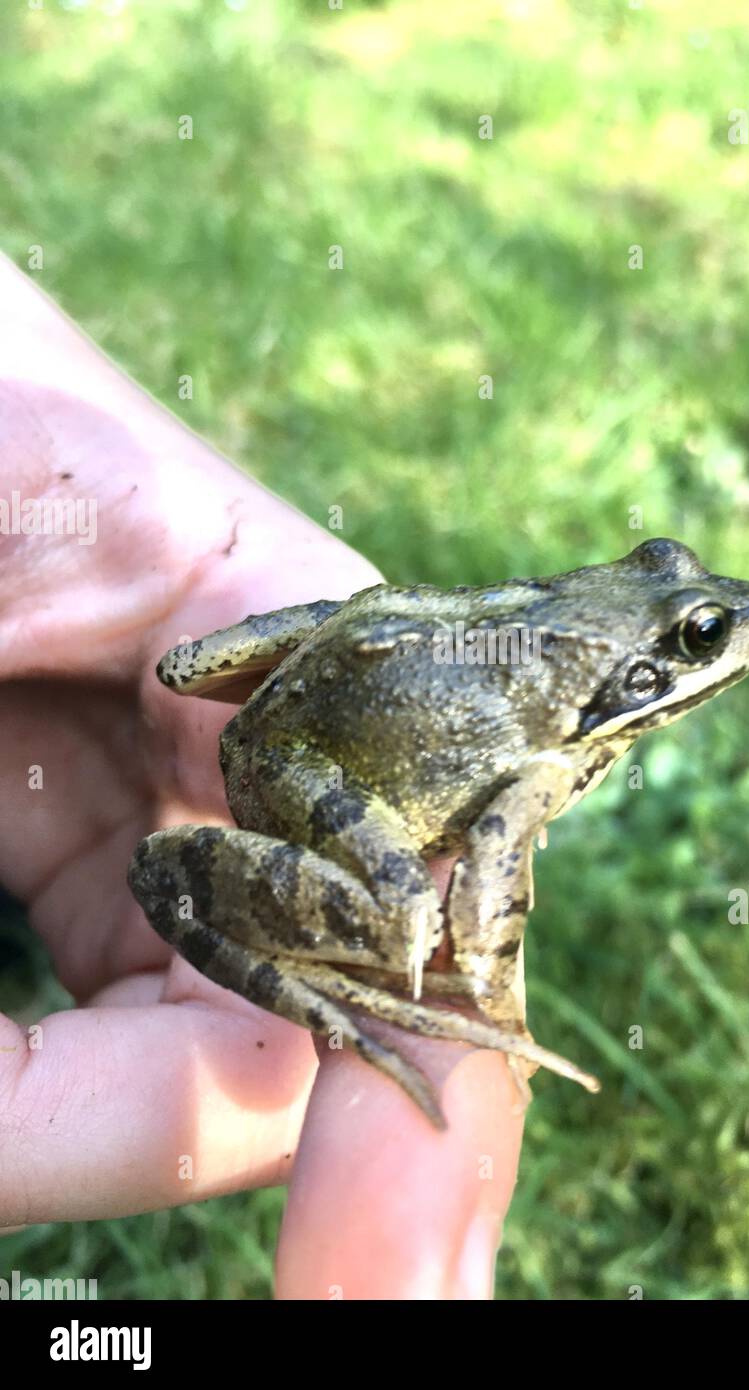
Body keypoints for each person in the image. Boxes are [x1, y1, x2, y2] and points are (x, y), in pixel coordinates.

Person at [0, 255, 522, 1299]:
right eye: (692, 639)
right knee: (408, 926)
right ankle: (330, 1002)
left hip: (286, 717)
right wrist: (496, 1006)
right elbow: (495, 853)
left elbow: (190, 664)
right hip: (312, 773)